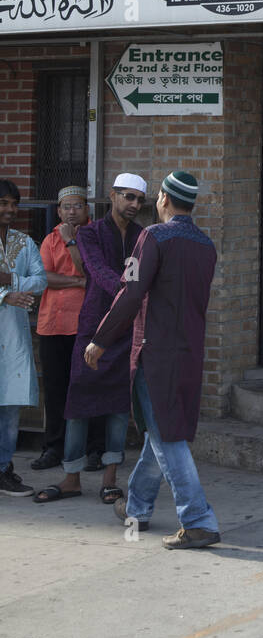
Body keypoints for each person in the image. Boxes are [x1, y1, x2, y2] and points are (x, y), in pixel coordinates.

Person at [84, 171, 220, 551]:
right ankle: (138, 508)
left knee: (167, 437)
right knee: (158, 435)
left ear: (163, 198)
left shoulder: (151, 237)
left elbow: (131, 293)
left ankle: (198, 519)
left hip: (154, 353)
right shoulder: (206, 245)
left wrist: (100, 339)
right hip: (189, 353)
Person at [33, 173, 146, 506]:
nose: (134, 204)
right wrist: (128, 295)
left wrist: (131, 302)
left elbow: (143, 274)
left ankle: (110, 480)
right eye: (128, 197)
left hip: (127, 328)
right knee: (77, 402)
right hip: (93, 326)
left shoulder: (143, 235)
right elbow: (95, 270)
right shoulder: (91, 233)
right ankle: (71, 478)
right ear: (112, 195)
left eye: (139, 199)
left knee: (117, 405)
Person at [33, 185, 101, 471]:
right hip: (52, 324)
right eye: (66, 207)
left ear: (87, 210)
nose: (72, 211)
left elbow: (91, 272)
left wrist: (72, 242)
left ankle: (95, 448)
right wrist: (76, 283)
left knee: (89, 387)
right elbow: (43, 277)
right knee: (55, 388)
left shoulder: (95, 237)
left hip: (84, 325)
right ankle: (54, 447)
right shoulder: (49, 240)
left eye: (77, 206)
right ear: (58, 211)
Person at [0, 178, 47, 498]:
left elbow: (41, 280)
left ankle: (4, 469)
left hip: (13, 336)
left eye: (14, 204)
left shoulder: (24, 241)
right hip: (9, 319)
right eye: (4, 203)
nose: (10, 210)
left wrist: (13, 280)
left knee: (11, 407)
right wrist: (5, 296)